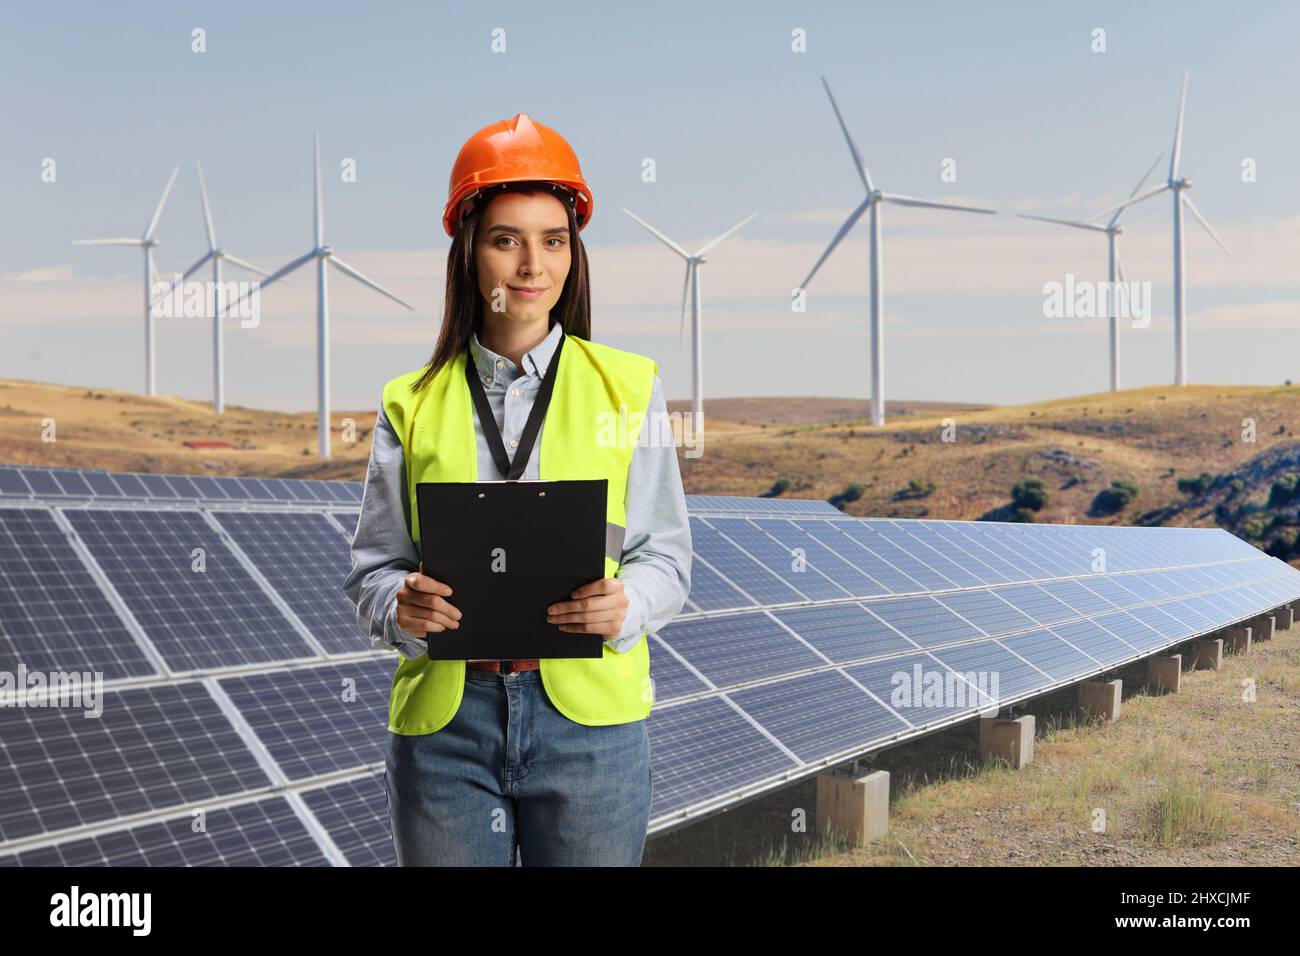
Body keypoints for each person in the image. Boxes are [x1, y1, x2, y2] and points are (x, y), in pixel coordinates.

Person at [343, 113, 692, 866]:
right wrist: (401, 606)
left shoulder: (632, 389)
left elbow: (666, 557)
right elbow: (373, 570)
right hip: (445, 732)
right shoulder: (409, 401)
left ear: (574, 253)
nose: (532, 265)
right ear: (468, 249)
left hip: (591, 730)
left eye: (554, 240)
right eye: (506, 240)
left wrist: (626, 606)